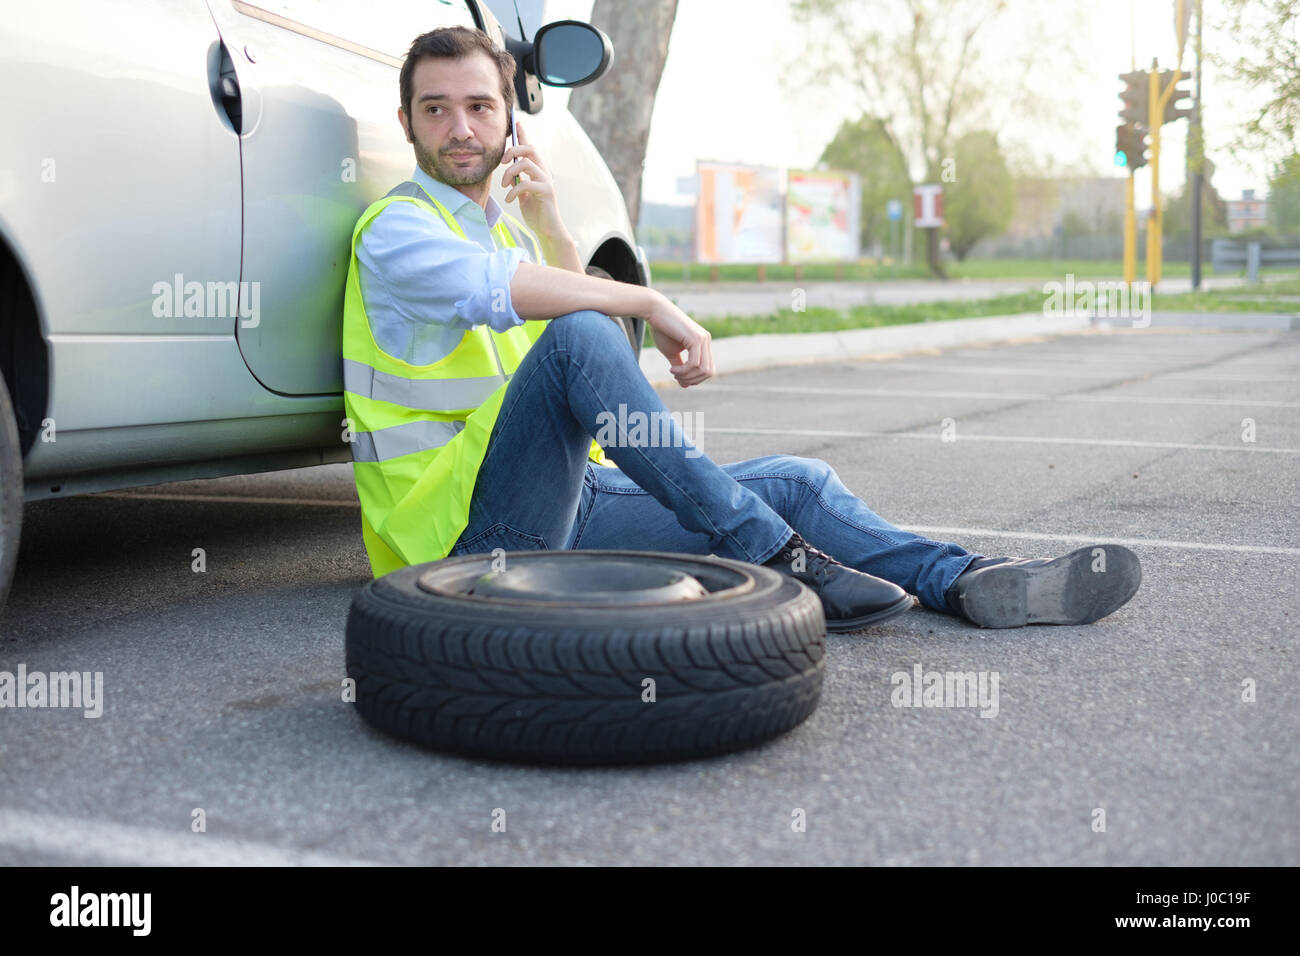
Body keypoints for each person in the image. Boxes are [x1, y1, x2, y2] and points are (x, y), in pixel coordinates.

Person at [341, 25, 1142, 631]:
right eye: (436, 110)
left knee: (800, 479)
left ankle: (968, 580)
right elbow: (540, 316)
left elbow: (562, 316)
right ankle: (772, 550)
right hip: (455, 548)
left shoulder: (506, 233)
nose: (460, 129)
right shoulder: (396, 230)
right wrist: (651, 302)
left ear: (511, 120)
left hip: (559, 502)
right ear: (407, 123)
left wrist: (550, 219)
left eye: (480, 107)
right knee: (587, 334)